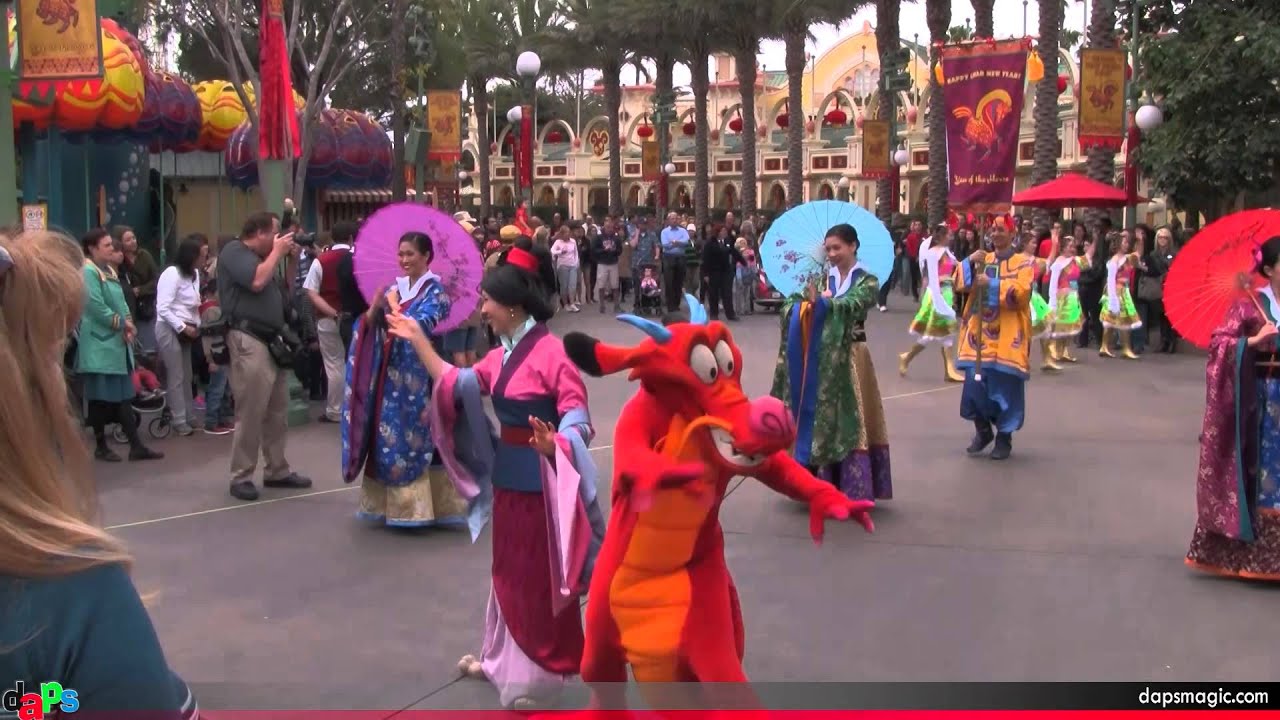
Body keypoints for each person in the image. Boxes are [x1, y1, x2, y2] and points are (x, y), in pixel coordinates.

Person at [386, 245, 605, 710]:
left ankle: (539, 677)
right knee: (507, 573)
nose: (481, 310)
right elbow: (452, 381)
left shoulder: (553, 354)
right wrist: (416, 338)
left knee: (536, 579)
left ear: (512, 306)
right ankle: (501, 660)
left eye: (487, 301)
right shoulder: (501, 357)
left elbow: (577, 414)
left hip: (541, 486)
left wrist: (560, 443)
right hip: (509, 482)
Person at [0, 230, 198, 720]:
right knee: (111, 405)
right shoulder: (63, 590)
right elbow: (82, 698)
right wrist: (37, 702)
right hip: (108, 351)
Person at [342, 231, 467, 528]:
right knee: (389, 436)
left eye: (410, 254)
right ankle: (395, 506)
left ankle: (424, 508)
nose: (404, 260)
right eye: (401, 254)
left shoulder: (436, 292)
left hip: (419, 377)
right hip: (389, 375)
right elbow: (370, 325)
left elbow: (418, 327)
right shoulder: (394, 288)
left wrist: (394, 306)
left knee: (420, 438)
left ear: (426, 256)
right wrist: (375, 306)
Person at [770, 223, 892, 501]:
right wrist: (805, 304)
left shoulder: (867, 281)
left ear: (853, 246)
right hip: (820, 358)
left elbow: (854, 305)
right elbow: (793, 302)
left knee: (851, 417)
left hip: (851, 354)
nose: (832, 254)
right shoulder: (823, 279)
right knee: (822, 417)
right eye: (828, 249)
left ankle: (853, 486)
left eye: (837, 247)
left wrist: (826, 304)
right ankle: (818, 481)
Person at [1185, 235, 1280, 582]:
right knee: (1265, 474)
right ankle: (1257, 554)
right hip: (1261, 402)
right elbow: (1219, 344)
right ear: (1268, 269)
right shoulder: (1248, 307)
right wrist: (1252, 342)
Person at [218, 211, 312, 502]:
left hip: (272, 340)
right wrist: (277, 254)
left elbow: (282, 292)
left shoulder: (263, 259)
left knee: (276, 410)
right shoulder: (235, 252)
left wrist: (291, 260)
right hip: (249, 338)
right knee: (251, 411)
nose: (277, 239)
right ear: (258, 233)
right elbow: (257, 282)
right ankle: (241, 475)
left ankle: (277, 469)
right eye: (274, 233)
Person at [76, 229, 163, 463]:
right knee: (99, 397)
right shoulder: (88, 271)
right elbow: (95, 305)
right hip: (99, 344)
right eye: (106, 246)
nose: (111, 249)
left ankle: (136, 446)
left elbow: (122, 301)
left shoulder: (109, 271)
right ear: (92, 249)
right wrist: (121, 324)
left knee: (124, 395)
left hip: (117, 343)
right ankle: (101, 446)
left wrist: (128, 323)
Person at [953, 217, 1034, 461]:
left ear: (1012, 233)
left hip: (1008, 337)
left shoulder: (1023, 263)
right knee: (973, 385)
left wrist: (994, 283)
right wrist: (969, 262)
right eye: (993, 229)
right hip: (978, 335)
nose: (996, 233)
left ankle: (1004, 438)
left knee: (1006, 388)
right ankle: (983, 430)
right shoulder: (983, 258)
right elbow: (960, 284)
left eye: (1001, 229)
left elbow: (1021, 293)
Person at [304, 220, 360, 423]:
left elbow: (311, 291)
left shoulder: (321, 260)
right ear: (352, 238)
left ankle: (335, 410)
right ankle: (355, 407)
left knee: (334, 364)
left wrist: (332, 311)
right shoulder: (359, 259)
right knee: (355, 362)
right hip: (355, 318)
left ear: (332, 238)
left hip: (328, 319)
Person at [898, 223, 964, 382]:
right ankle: (909, 357)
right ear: (941, 236)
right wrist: (940, 298)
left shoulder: (946, 251)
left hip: (946, 292)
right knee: (934, 333)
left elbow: (959, 265)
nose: (952, 237)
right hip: (937, 294)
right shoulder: (933, 253)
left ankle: (948, 369)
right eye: (949, 234)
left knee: (944, 333)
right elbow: (932, 278)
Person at [155, 235, 205, 435]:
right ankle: (178, 418)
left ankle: (189, 414)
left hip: (188, 328)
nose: (204, 260)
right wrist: (182, 327)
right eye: (201, 256)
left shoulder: (194, 275)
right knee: (176, 374)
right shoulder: (172, 274)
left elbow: (193, 306)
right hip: (169, 327)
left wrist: (197, 326)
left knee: (187, 373)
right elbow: (163, 308)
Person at [1044, 232, 1094, 364]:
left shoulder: (1076, 261)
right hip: (1062, 298)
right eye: (1069, 246)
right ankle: (1054, 348)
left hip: (1073, 297)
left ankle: (1064, 350)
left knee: (1069, 327)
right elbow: (1053, 283)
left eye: (1073, 246)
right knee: (1059, 326)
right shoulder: (1059, 263)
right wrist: (1052, 302)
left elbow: (1088, 256)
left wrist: (1095, 238)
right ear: (1063, 248)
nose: (1072, 249)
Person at [1100, 229, 1143, 359]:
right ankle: (1125, 348)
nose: (1127, 244)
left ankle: (1105, 346)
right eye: (1124, 242)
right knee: (1121, 320)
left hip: (1124, 291)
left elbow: (1138, 254)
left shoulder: (1127, 258)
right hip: (1116, 292)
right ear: (1118, 244)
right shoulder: (1114, 261)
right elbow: (1110, 280)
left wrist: (1140, 240)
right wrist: (1113, 299)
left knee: (1113, 320)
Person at [701, 224, 744, 322]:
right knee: (713, 294)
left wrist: (743, 261)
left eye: (725, 231)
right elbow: (705, 259)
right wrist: (705, 274)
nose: (724, 232)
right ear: (718, 232)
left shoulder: (728, 241)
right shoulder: (710, 243)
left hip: (726, 271)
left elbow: (734, 252)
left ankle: (730, 314)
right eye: (722, 231)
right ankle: (714, 314)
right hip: (713, 272)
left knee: (727, 294)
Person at [659, 212, 689, 312]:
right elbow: (665, 245)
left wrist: (675, 242)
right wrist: (678, 243)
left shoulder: (683, 231)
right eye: (672, 218)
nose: (674, 220)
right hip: (668, 257)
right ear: (668, 220)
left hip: (681, 257)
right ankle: (670, 305)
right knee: (669, 282)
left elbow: (686, 242)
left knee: (678, 282)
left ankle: (676, 304)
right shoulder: (664, 232)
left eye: (676, 218)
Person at [550, 224, 580, 312]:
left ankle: (572, 303)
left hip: (572, 265)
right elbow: (552, 251)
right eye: (566, 233)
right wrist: (560, 251)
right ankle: (565, 304)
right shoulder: (558, 242)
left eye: (568, 233)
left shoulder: (573, 241)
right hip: (562, 266)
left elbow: (576, 252)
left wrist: (576, 262)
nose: (568, 235)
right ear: (562, 234)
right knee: (564, 286)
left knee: (572, 285)